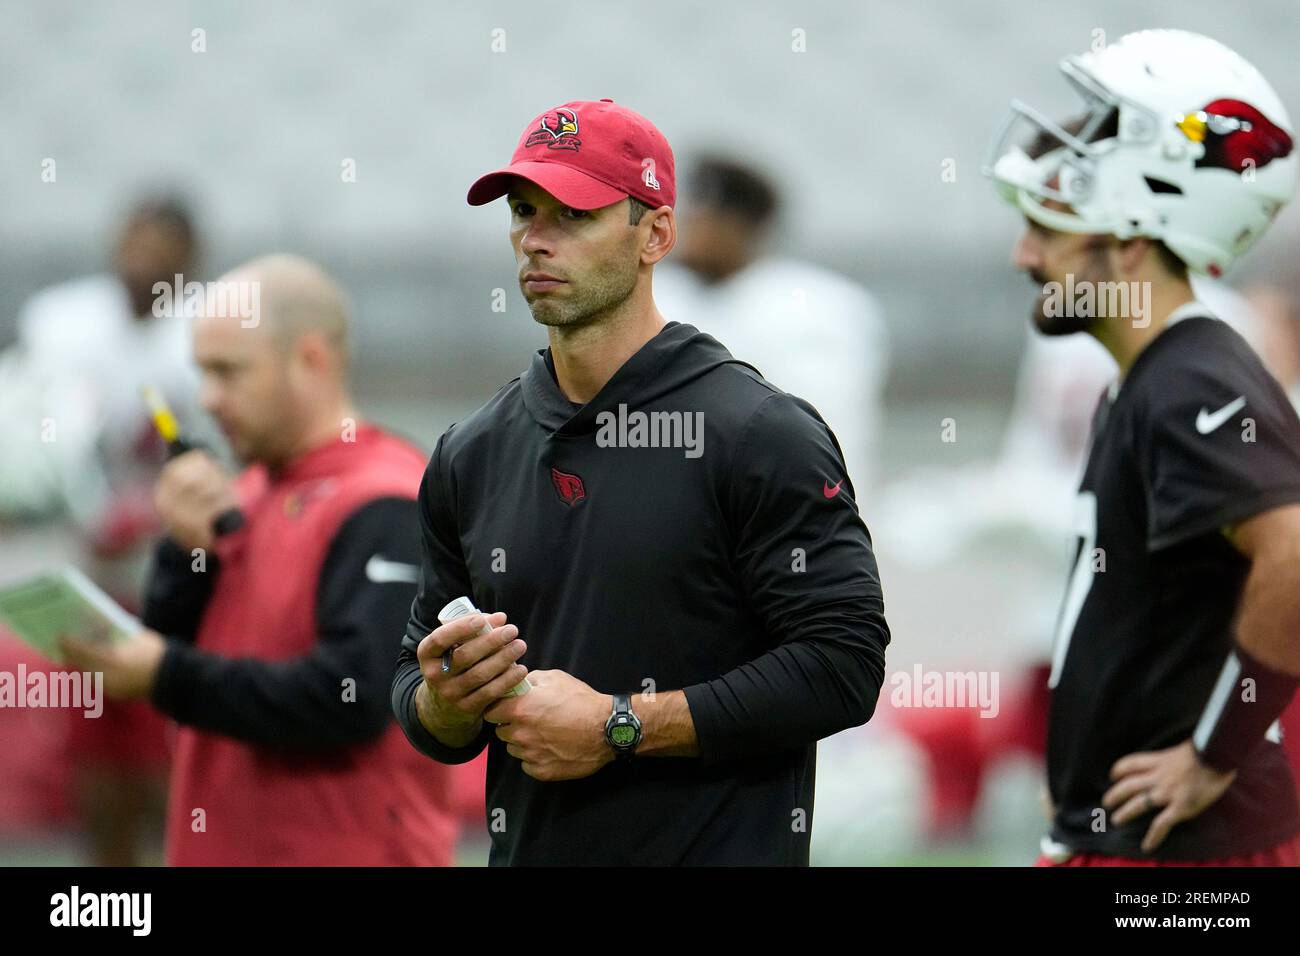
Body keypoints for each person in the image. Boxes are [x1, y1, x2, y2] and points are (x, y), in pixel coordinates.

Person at [391, 98, 891, 865]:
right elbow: (419, 694)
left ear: (655, 234)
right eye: (524, 213)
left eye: (575, 214)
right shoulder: (472, 451)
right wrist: (445, 701)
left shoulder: (759, 432)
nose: (536, 240)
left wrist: (618, 726)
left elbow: (845, 664)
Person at [986, 29, 1300, 865]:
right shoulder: (1152, 373)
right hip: (1134, 840)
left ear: (1128, 241)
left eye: (1050, 229)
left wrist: (1212, 754)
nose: (1026, 255)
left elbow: (1296, 554)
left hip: (1192, 854)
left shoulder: (1191, 379)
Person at [61, 254, 461, 865]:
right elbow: (181, 657)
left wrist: (165, 671)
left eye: (228, 372)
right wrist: (179, 554)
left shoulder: (384, 499)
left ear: (311, 361)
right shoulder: (241, 492)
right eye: (201, 373)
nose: (208, 398)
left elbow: (352, 697)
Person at [654, 155, 888, 492]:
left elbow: (818, 431)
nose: (688, 224)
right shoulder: (657, 293)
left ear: (743, 224)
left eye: (704, 212)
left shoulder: (814, 307)